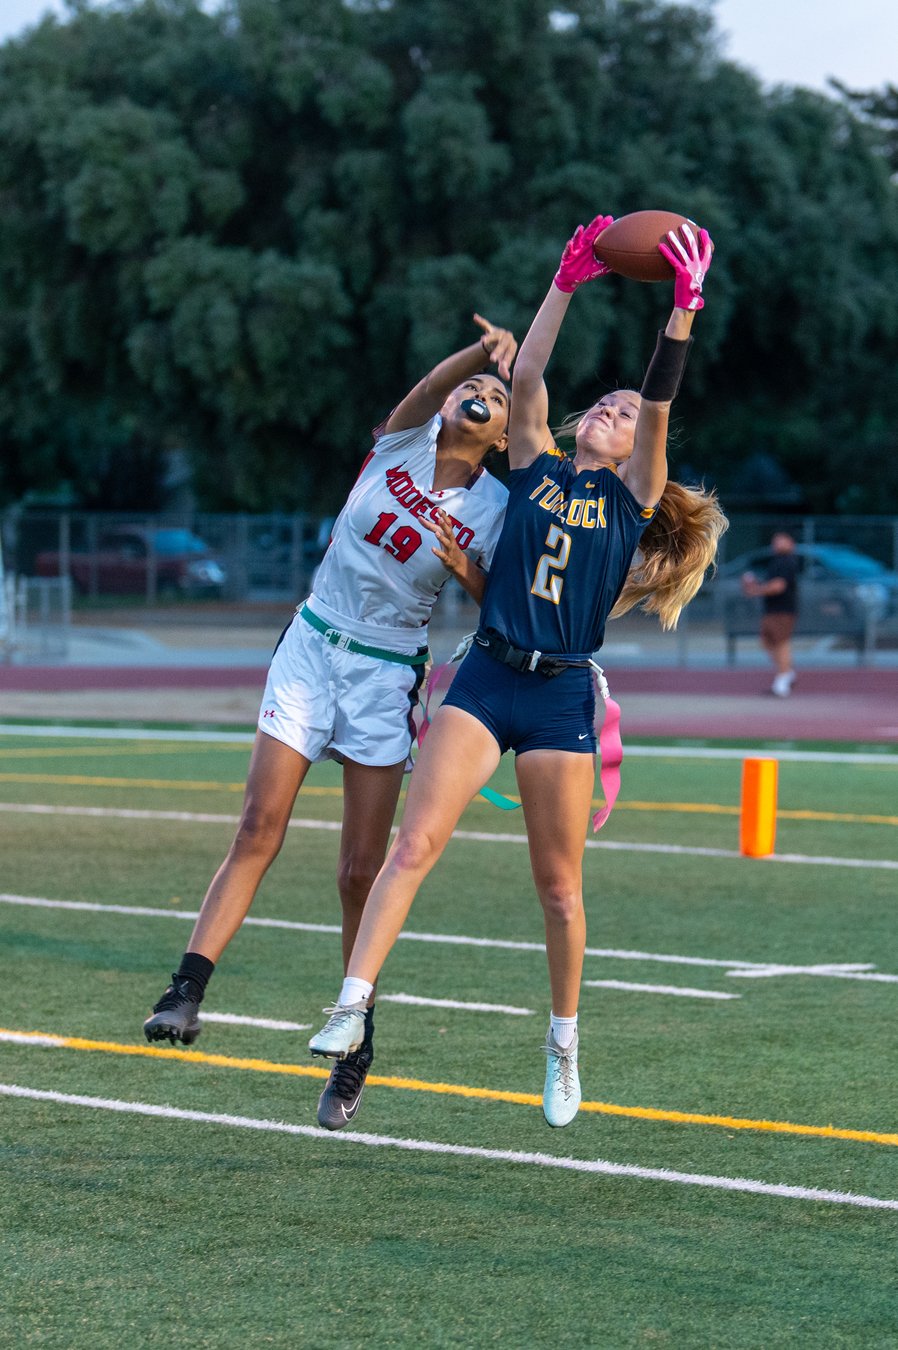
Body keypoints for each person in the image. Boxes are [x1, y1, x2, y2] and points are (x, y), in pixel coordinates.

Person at [308, 214, 728, 1128]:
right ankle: (350, 1002)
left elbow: (658, 403)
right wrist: (566, 279)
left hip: (561, 693)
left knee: (560, 887)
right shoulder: (534, 464)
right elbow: (527, 374)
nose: (617, 410)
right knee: (414, 847)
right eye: (607, 404)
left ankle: (563, 1043)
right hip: (490, 677)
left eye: (626, 411)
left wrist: (681, 315)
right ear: (580, 426)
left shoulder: (632, 494)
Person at [142, 312, 517, 1131]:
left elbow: (503, 612)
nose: (477, 394)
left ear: (503, 433)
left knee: (359, 871)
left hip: (386, 670)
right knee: (258, 825)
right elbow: (426, 389)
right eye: (470, 389)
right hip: (314, 642)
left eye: (494, 393)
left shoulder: (496, 508)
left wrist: (470, 575)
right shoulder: (399, 443)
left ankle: (356, 1045)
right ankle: (185, 992)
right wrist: (483, 353)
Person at [741, 532, 800, 696]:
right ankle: (786, 672)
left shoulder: (787, 561)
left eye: (782, 540)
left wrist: (756, 590)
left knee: (781, 643)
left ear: (790, 542)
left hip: (783, 610)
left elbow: (778, 586)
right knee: (767, 642)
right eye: (775, 540)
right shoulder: (776, 562)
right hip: (772, 610)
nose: (777, 543)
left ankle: (782, 681)